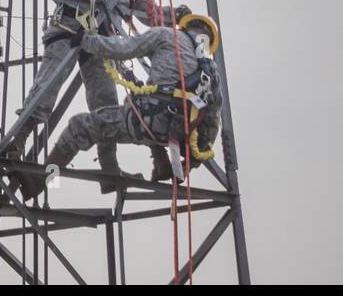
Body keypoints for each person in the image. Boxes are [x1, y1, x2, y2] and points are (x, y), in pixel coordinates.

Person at [9, 0, 186, 192]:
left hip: (100, 40)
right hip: (69, 28)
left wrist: (175, 15)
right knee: (48, 86)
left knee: (105, 103)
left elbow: (147, 13)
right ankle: (17, 141)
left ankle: (109, 169)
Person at [17, 13, 223, 199]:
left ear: (185, 27)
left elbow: (122, 49)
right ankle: (157, 165)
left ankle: (41, 182)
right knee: (131, 102)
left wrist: (87, 40)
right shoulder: (212, 73)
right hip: (177, 133)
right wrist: (192, 161)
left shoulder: (167, 35)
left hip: (148, 122)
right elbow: (213, 120)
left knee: (78, 127)